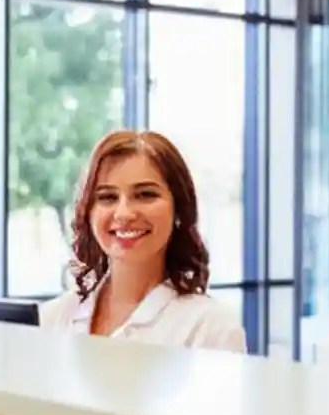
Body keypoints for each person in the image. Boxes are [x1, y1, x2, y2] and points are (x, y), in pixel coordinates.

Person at [39, 130, 247, 354]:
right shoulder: (51, 319)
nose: (124, 213)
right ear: (88, 212)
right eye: (108, 197)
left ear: (178, 208)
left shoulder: (211, 328)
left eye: (145, 195)